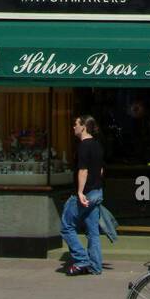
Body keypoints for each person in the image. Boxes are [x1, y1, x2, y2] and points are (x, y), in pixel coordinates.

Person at [60, 115, 104, 276]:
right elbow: (100, 170)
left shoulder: (84, 146)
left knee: (66, 226)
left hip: (86, 194)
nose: (74, 127)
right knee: (93, 232)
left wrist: (80, 192)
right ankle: (95, 266)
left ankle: (82, 259)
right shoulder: (97, 145)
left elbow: (83, 170)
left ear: (83, 126)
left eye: (76, 124)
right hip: (97, 191)